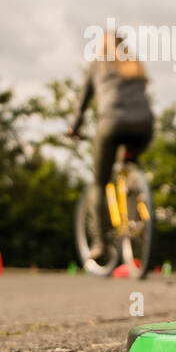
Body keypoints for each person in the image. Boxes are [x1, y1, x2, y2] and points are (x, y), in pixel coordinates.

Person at [68, 30, 155, 259]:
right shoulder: (133, 63)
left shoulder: (99, 65)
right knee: (128, 162)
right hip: (144, 126)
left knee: (100, 183)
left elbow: (83, 102)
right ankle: (136, 198)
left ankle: (100, 244)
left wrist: (74, 128)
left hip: (112, 125)